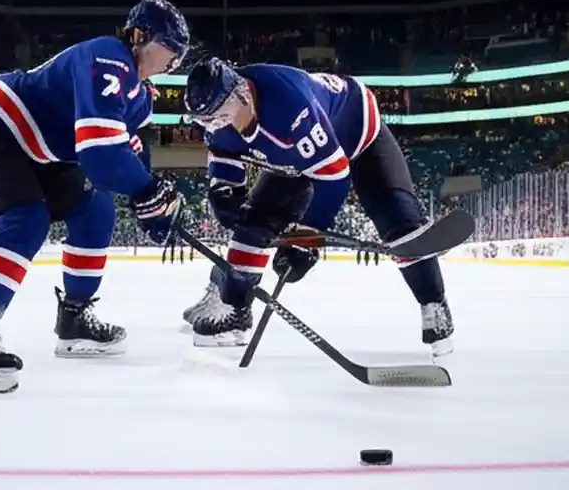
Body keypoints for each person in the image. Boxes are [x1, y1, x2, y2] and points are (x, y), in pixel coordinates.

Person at [0, 0, 190, 394]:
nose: (176, 59)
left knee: (95, 211)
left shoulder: (140, 98)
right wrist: (146, 191)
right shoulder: (109, 56)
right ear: (140, 36)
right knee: (25, 219)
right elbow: (101, 156)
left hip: (45, 153)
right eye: (170, 47)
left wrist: (150, 200)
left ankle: (75, 320)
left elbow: (121, 156)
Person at [179, 57, 454, 356]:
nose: (215, 126)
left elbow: (334, 179)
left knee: (398, 221)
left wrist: (305, 241)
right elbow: (222, 152)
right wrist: (223, 190)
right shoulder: (221, 111)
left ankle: (433, 302)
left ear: (242, 95)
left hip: (359, 135)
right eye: (206, 121)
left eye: (218, 117)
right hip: (298, 157)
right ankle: (235, 309)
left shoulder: (289, 109)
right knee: (252, 222)